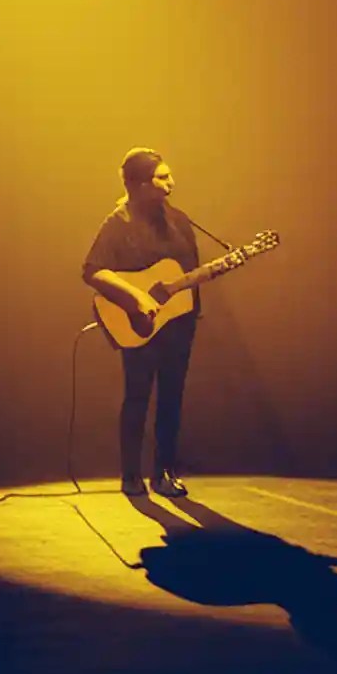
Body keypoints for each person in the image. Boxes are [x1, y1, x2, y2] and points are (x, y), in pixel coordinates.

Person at [82, 148, 201, 497]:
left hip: (179, 323)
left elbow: (188, 273)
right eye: (162, 178)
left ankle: (164, 473)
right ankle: (131, 475)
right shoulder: (118, 223)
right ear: (140, 185)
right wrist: (135, 298)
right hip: (140, 324)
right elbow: (92, 270)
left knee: (171, 398)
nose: (171, 183)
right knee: (137, 397)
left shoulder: (179, 220)